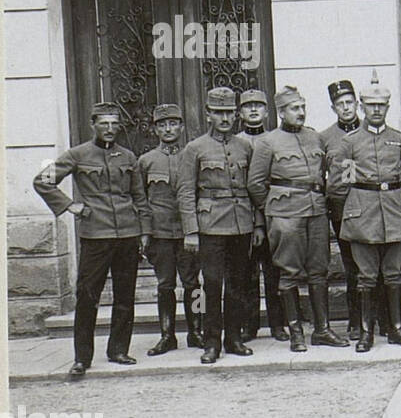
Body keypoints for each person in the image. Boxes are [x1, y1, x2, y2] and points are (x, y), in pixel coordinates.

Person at [33, 101, 151, 376]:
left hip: (127, 235)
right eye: (104, 123)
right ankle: (82, 357)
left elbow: (139, 198)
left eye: (114, 123)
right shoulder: (77, 154)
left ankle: (119, 350)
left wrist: (144, 231)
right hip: (95, 235)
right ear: (93, 125)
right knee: (87, 297)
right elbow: (43, 180)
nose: (110, 129)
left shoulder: (128, 157)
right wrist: (70, 205)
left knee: (125, 296)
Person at [247, 86, 350, 352]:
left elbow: (325, 173)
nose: (301, 113)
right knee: (289, 272)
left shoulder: (315, 138)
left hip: (316, 211)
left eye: (303, 107)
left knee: (319, 270)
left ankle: (322, 330)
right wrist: (274, 209)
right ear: (281, 112)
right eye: (295, 108)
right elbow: (256, 184)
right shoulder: (267, 142)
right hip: (285, 215)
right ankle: (295, 333)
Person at [329, 75, 401, 352]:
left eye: (381, 105)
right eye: (371, 105)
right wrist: (355, 210)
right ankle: (366, 333)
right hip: (362, 214)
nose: (376, 110)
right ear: (362, 106)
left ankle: (397, 329)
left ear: (388, 106)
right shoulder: (350, 142)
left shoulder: (399, 139)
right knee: (366, 276)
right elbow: (339, 184)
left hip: (394, 212)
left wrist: (395, 202)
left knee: (393, 274)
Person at [177, 87, 262, 364]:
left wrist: (258, 225)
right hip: (210, 225)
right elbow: (186, 192)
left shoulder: (244, 146)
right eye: (218, 112)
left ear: (236, 114)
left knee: (238, 283)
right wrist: (190, 231)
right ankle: (211, 342)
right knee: (212, 284)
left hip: (241, 225)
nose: (225, 118)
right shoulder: (195, 148)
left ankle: (234, 338)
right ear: (208, 114)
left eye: (229, 112)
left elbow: (254, 189)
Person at [138, 104, 202, 355]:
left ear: (181, 127)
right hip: (160, 233)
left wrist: (196, 230)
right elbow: (140, 199)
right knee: (165, 284)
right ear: (155, 129)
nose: (168, 129)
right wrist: (145, 233)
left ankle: (196, 331)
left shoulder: (193, 156)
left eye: (173, 123)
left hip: (189, 233)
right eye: (162, 125)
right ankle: (167, 336)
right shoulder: (146, 161)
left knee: (194, 283)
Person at [236, 88, 287, 342]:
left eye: (259, 105)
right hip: (245, 218)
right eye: (248, 106)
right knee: (247, 273)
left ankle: (278, 324)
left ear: (267, 111)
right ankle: (249, 324)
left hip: (276, 214)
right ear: (240, 112)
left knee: (275, 270)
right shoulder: (236, 143)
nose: (254, 110)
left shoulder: (277, 139)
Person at [320, 79, 364, 338]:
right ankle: (355, 321)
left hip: (368, 207)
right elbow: (321, 173)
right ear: (333, 108)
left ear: (357, 104)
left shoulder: (370, 131)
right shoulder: (325, 138)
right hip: (341, 209)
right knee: (352, 267)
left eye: (349, 102)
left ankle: (378, 317)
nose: (346, 108)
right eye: (340, 104)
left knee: (372, 265)